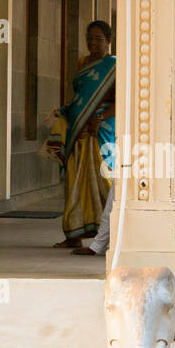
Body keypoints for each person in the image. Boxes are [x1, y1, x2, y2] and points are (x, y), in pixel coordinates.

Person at [47, 20, 116, 247]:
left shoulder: (114, 66)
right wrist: (64, 111)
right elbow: (80, 98)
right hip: (78, 130)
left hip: (100, 133)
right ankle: (74, 235)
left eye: (98, 39)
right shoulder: (82, 63)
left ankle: (112, 233)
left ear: (109, 42)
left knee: (102, 181)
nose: (93, 43)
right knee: (74, 184)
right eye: (89, 38)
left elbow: (122, 100)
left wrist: (99, 119)